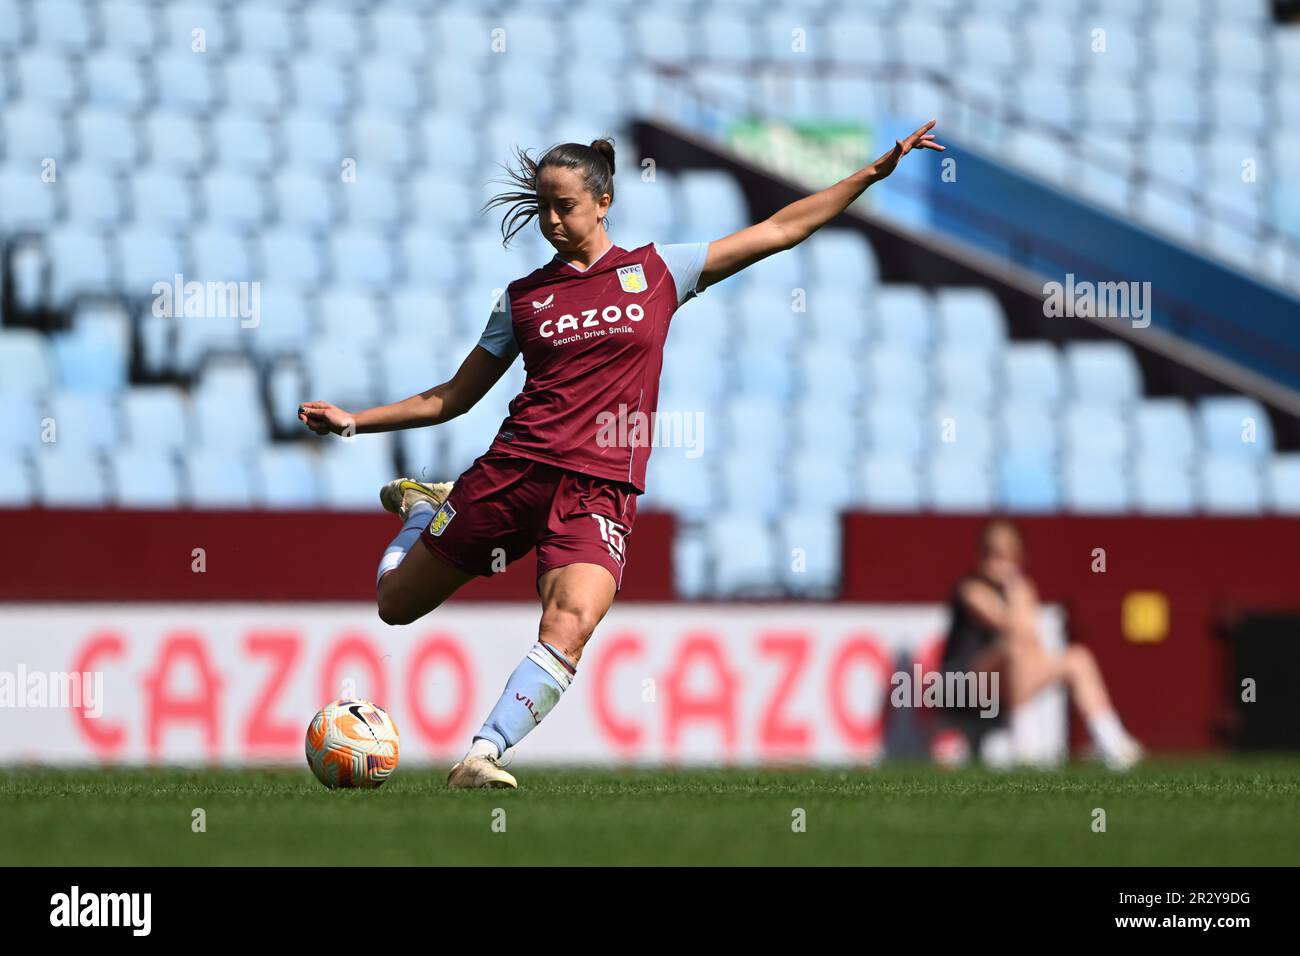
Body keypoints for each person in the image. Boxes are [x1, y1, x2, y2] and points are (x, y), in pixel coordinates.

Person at [298, 123, 945, 788]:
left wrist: (871, 174)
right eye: (543, 207)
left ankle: (483, 753)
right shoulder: (522, 300)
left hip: (600, 489)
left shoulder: (658, 272)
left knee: (571, 622)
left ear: (603, 201)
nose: (550, 220)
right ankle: (420, 507)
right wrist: (354, 423)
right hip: (512, 473)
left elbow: (780, 229)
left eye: (565, 206)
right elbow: (452, 398)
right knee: (395, 606)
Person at [940, 519, 1143, 770]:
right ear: (981, 555)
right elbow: (1009, 624)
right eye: (993, 553)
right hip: (967, 686)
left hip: (1012, 679)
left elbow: (1030, 640)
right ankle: (1026, 744)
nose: (1001, 561)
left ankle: (1112, 741)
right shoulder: (969, 589)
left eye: (1008, 554)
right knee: (1014, 648)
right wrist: (1017, 593)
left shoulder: (1022, 588)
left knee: (1078, 658)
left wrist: (1018, 591)